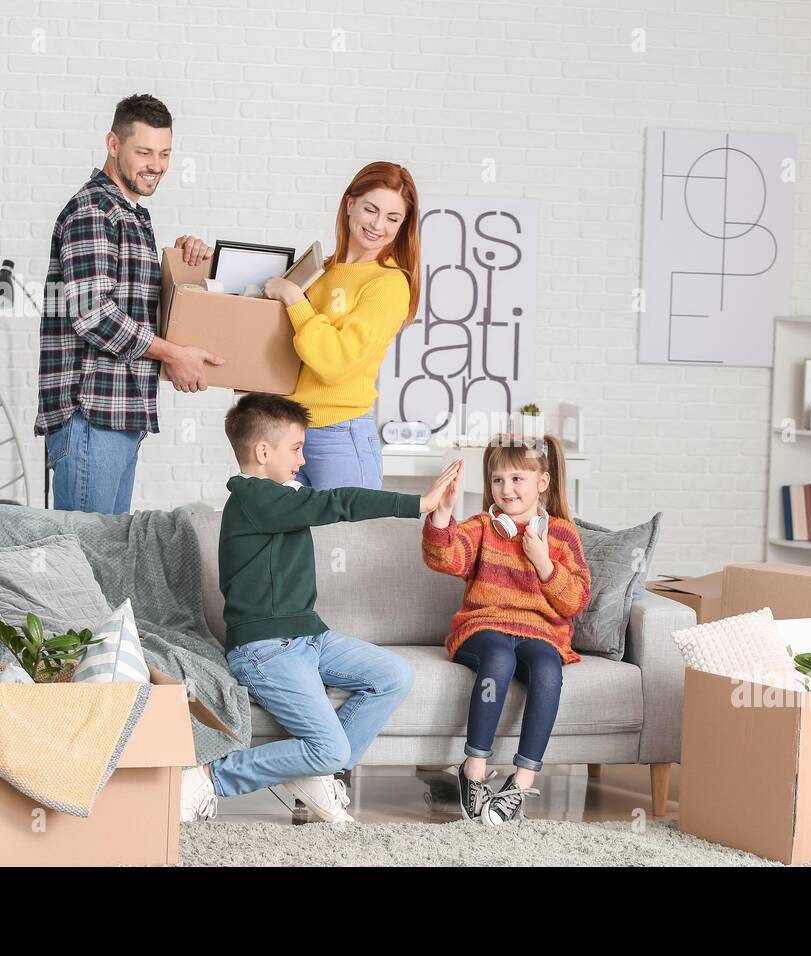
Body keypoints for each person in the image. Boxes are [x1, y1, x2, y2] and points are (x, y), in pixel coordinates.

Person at [178, 393, 460, 824]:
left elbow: (325, 500)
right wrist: (417, 504)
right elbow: (336, 502)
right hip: (265, 648)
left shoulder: (279, 497)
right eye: (296, 448)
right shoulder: (254, 498)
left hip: (310, 637)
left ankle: (316, 776)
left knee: (393, 675)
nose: (303, 458)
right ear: (262, 452)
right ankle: (210, 777)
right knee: (329, 747)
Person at [35, 92, 222, 514]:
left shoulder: (132, 215)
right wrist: (173, 354)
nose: (156, 165)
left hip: (120, 414)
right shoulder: (94, 211)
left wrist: (185, 262)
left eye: (165, 153)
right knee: (86, 560)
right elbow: (93, 314)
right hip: (91, 414)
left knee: (107, 560)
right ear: (113, 144)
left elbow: (137, 309)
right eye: (143, 152)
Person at [422, 434, 592, 825]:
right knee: (498, 657)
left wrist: (544, 562)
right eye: (498, 480)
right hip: (484, 626)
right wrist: (444, 514)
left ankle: (521, 780)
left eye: (518, 479)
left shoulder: (563, 535)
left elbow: (575, 601)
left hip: (540, 632)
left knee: (548, 670)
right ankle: (474, 769)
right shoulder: (483, 526)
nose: (507, 489)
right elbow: (444, 558)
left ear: (542, 483)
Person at [261, 161, 420, 491]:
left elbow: (336, 363)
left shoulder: (388, 283)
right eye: (371, 209)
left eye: (393, 218)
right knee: (288, 542)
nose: (378, 225)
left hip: (340, 436)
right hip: (287, 433)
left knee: (348, 541)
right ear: (350, 204)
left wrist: (295, 300)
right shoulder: (318, 271)